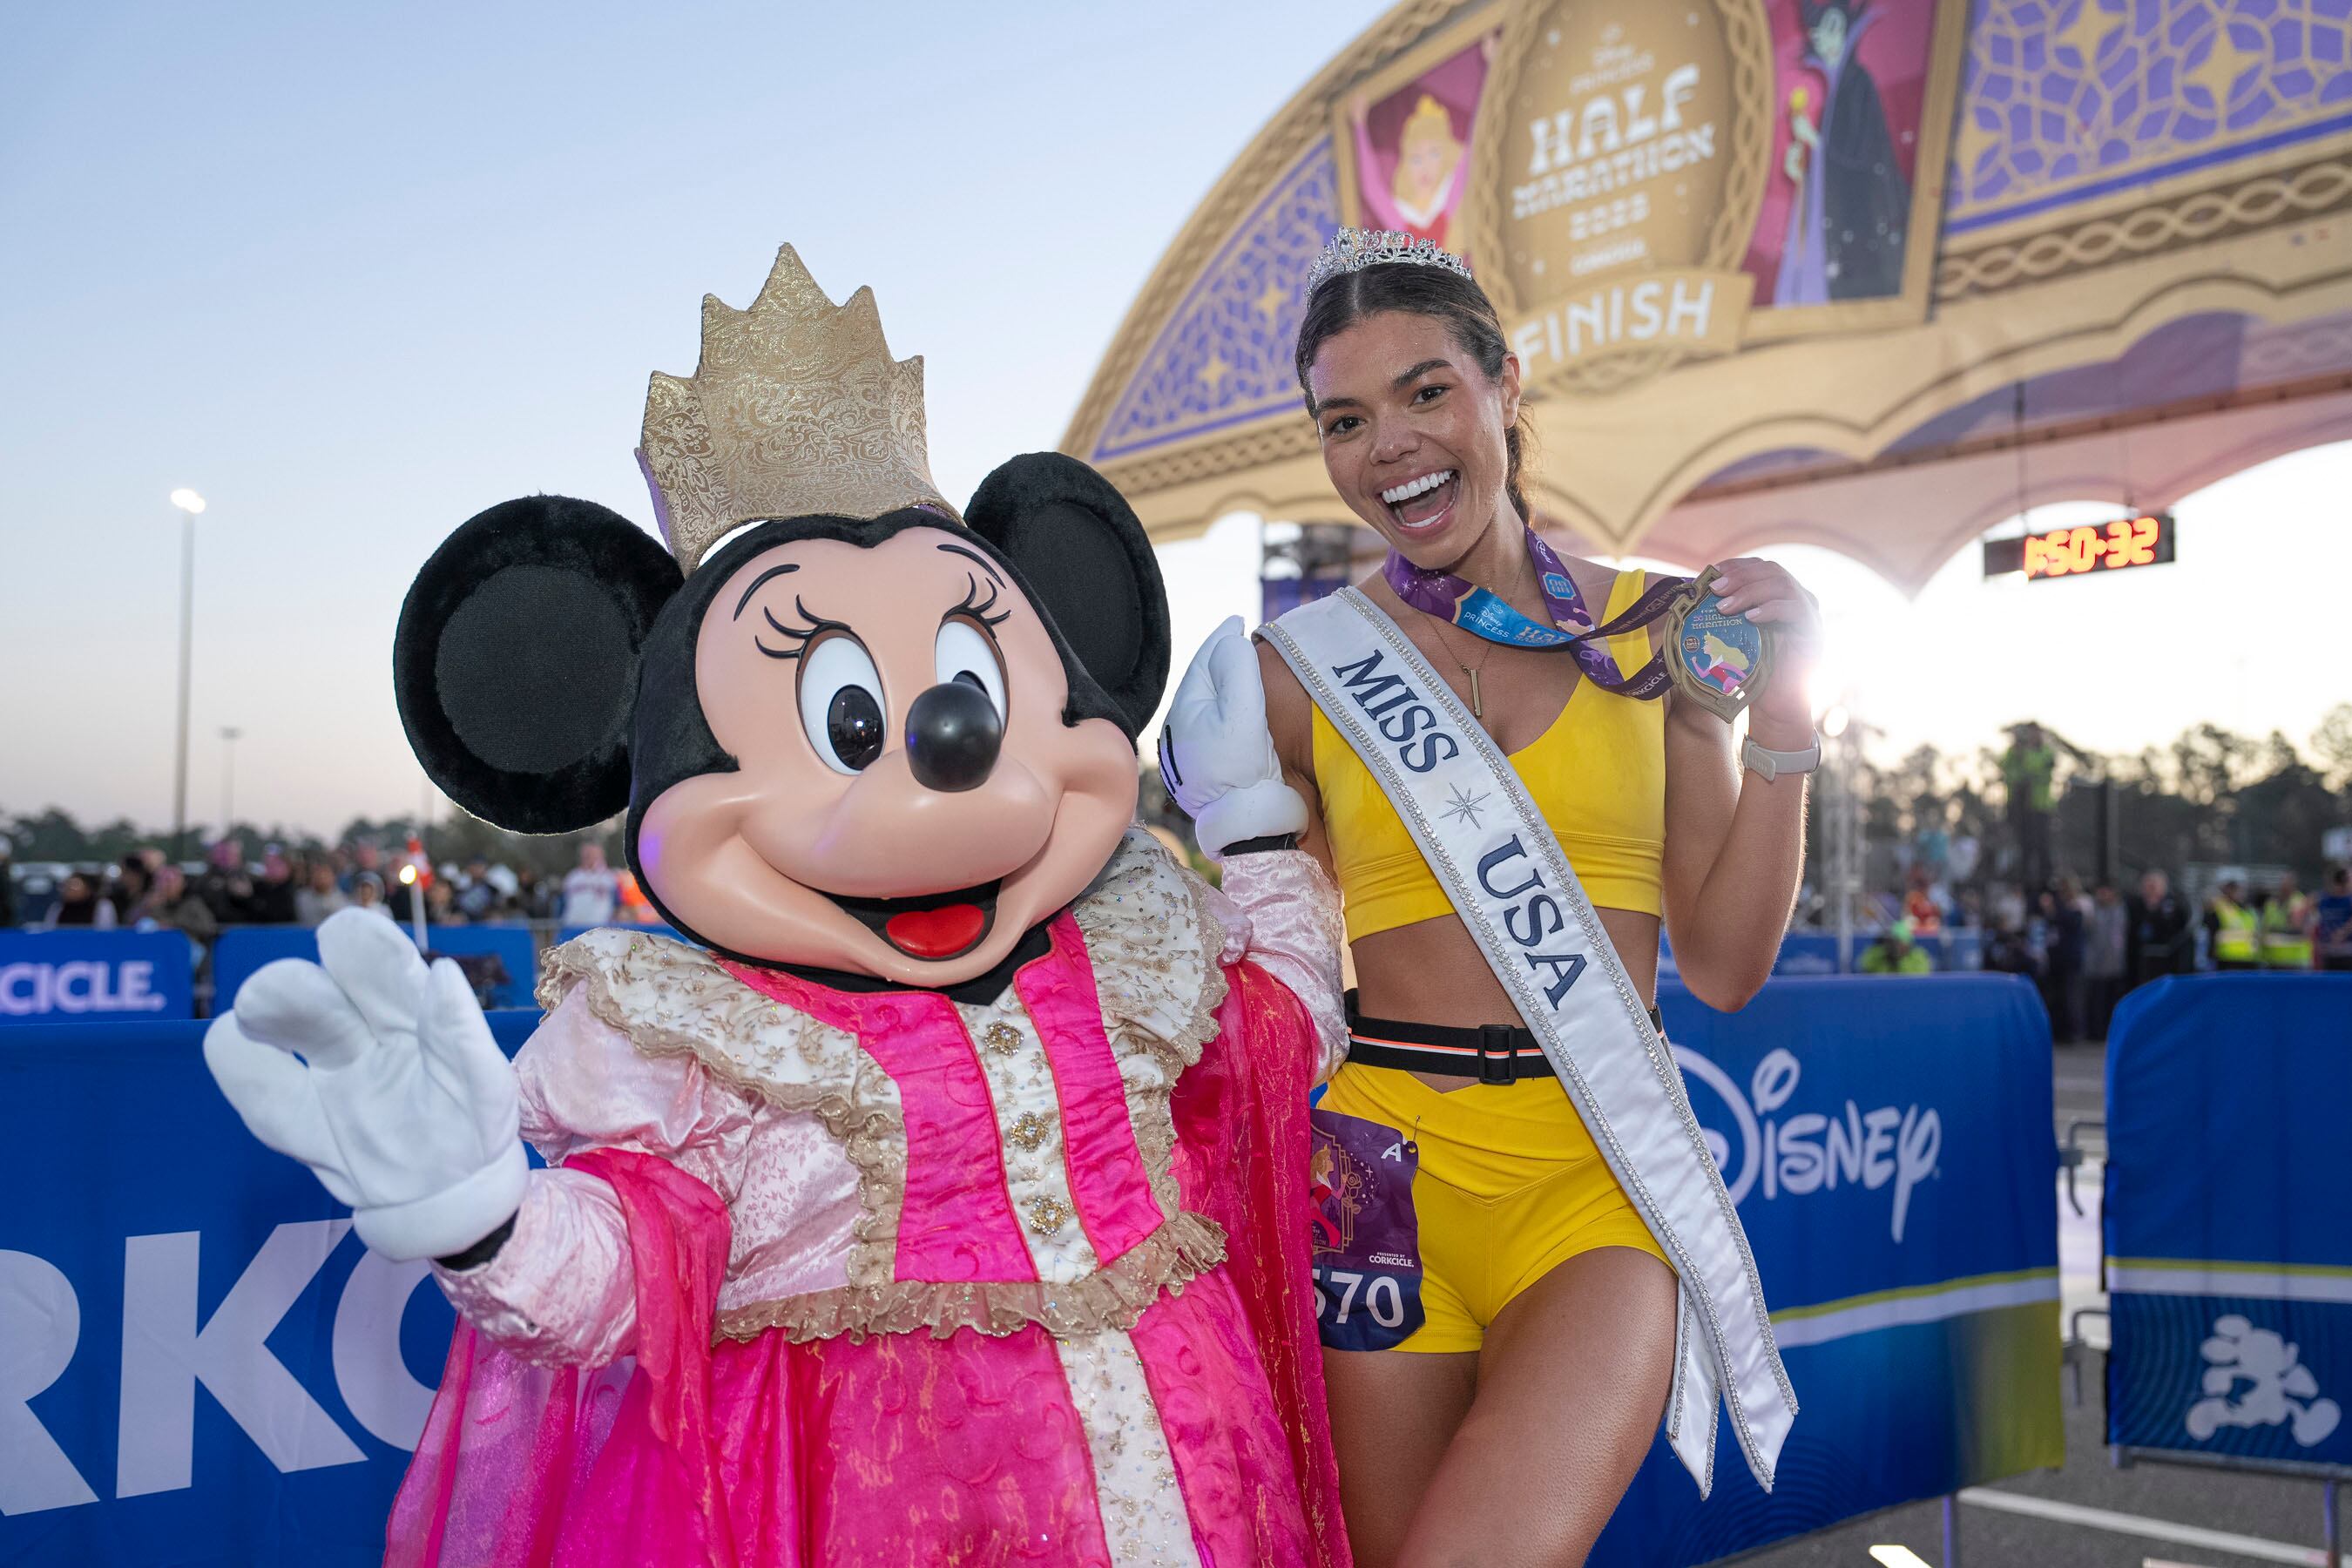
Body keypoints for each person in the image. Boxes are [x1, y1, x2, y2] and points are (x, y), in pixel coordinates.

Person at [203, 242, 1348, 1564]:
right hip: (867, 1503)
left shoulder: (1119, 949)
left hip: (1198, 1462)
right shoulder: (701, 1032)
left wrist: (1253, 830)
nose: (954, 746)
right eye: (849, 718)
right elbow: (633, 1273)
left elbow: (1277, 1045)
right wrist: (483, 1219)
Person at [1165, 228, 1803, 1565]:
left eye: (1426, 391)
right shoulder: (1297, 674)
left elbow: (1728, 965)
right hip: (1373, 1176)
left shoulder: (1658, 633)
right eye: (1347, 418)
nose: (1390, 443)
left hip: (1594, 1175)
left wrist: (1787, 711)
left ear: (1505, 388)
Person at [2126, 869, 2193, 985]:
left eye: (2154, 886)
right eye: (2148, 886)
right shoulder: (2134, 904)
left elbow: (2181, 927)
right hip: (2140, 959)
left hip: (2168, 958)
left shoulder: (2174, 905)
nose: (2151, 890)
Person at [2084, 881, 2128, 1037]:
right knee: (2097, 1000)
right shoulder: (2092, 910)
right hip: (2095, 963)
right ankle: (2096, 1030)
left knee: (2111, 999)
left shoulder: (2120, 910)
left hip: (2114, 962)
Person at [558, 841, 621, 927]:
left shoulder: (609, 878)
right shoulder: (573, 877)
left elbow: (618, 904)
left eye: (593, 854)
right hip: (573, 926)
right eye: (587, 854)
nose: (589, 857)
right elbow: (561, 903)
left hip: (599, 928)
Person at [2206, 876, 2261, 971]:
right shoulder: (2218, 909)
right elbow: (2211, 932)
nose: (2239, 894)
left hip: (2247, 959)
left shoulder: (2248, 911)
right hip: (2226, 960)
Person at [2262, 871, 2312, 971]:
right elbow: (2265, 928)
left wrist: (2275, 932)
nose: (2283, 886)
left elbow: (2297, 928)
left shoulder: (2299, 902)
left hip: (2295, 961)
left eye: (2287, 883)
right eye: (2282, 882)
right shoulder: (2271, 904)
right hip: (2272, 960)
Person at [1860, 916, 1932, 974]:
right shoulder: (1882, 955)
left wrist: (1898, 961)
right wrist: (1877, 948)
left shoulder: (1918, 956)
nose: (1895, 945)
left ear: (1907, 943)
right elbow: (1865, 966)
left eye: (1899, 941)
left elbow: (1918, 977)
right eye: (1893, 942)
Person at [44, 872, 117, 929]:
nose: (69, 889)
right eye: (67, 886)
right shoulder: (57, 908)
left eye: (75, 885)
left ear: (88, 889)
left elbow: (106, 931)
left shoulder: (102, 906)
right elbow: (50, 929)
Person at [2315, 867, 2352, 973]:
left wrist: (2343, 932)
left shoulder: (2349, 900)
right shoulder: (2323, 900)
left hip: (2346, 952)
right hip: (2327, 952)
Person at [295, 859, 349, 926]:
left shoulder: (344, 901)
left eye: (325, 873)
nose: (321, 876)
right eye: (316, 873)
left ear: (333, 877)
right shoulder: (301, 897)